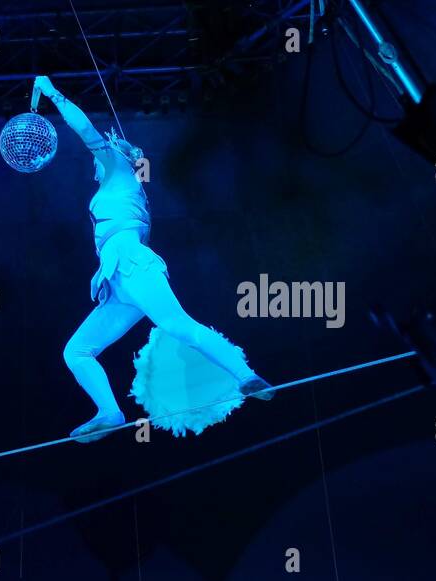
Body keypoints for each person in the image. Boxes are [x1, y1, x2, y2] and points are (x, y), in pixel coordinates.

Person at [33, 75, 273, 442]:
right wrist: (104, 270)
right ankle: (109, 412)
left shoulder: (117, 168)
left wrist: (52, 92)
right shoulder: (127, 191)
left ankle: (245, 376)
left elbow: (84, 128)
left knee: (177, 324)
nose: (94, 163)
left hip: (131, 266)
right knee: (77, 351)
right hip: (120, 282)